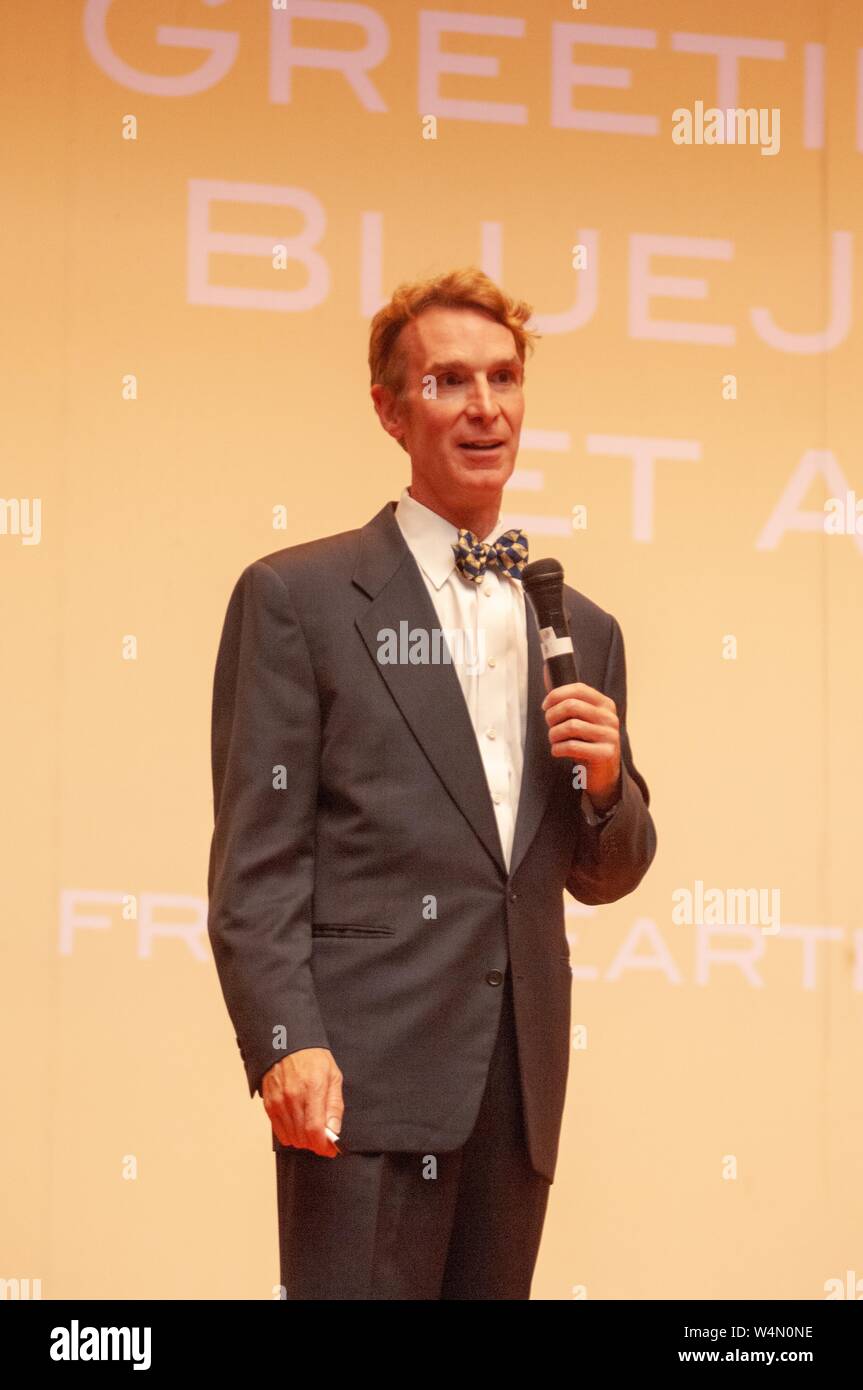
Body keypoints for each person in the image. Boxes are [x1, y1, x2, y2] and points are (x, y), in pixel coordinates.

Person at [206, 267, 657, 1299]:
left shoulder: (580, 627)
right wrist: (286, 1040)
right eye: (448, 381)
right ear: (389, 409)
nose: (483, 406)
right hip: (360, 1073)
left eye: (502, 378)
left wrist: (602, 782)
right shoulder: (298, 597)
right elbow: (257, 863)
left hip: (516, 1084)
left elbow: (605, 870)